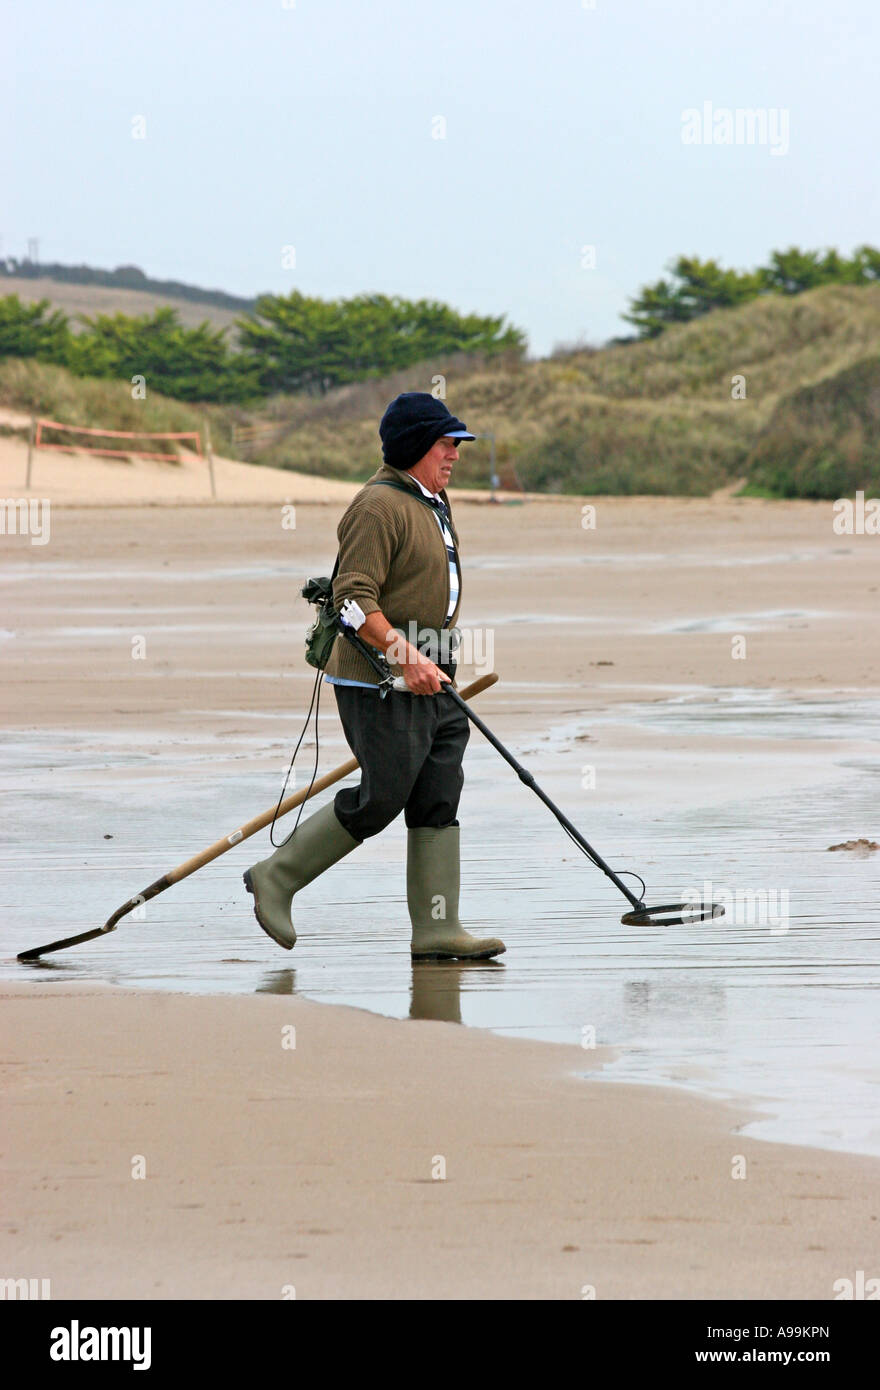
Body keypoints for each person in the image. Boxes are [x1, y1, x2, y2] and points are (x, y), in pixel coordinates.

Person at [243, 392, 506, 961]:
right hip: (380, 678)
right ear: (415, 446)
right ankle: (277, 877)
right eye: (446, 444)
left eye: (456, 445)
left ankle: (438, 929)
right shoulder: (376, 506)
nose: (455, 455)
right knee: (383, 795)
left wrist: (429, 658)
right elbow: (352, 600)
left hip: (438, 672)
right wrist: (401, 654)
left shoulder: (432, 500)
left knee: (438, 795)